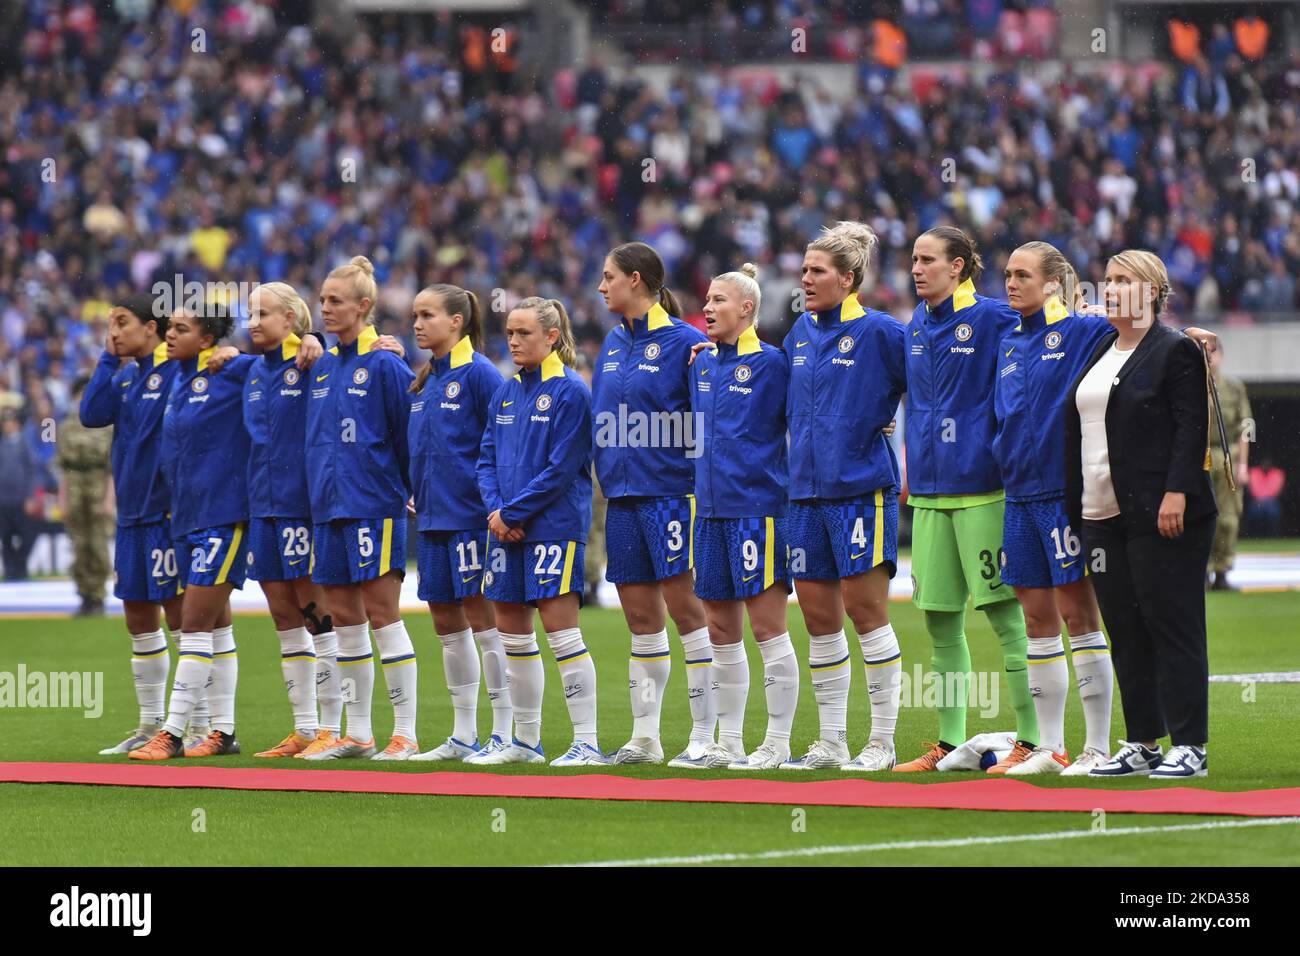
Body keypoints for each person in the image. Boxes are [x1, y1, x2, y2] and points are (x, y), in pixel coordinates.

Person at [1065, 250, 1218, 779]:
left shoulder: (1174, 350)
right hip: (1101, 515)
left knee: (1172, 624)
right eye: (1106, 280)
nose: (1109, 288)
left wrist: (1177, 491)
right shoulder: (1101, 347)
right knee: (1126, 630)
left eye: (1124, 281)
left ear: (1152, 291)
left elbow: (1189, 426)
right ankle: (1142, 742)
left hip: (1160, 512)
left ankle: (1191, 745)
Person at [896, 226, 1039, 774]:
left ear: (957, 267)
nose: (915, 268)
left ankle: (1032, 740)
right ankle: (948, 743)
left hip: (984, 491)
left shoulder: (995, 317)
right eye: (913, 259)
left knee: (1007, 618)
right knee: (940, 622)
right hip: (929, 495)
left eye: (927, 259)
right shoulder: (915, 325)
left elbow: (1061, 333)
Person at [779, 222, 908, 772]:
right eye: (804, 270)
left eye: (817, 271)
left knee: (864, 611)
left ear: (848, 278)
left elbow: (925, 384)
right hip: (804, 494)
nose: (805, 279)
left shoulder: (882, 333)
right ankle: (831, 741)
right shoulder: (797, 335)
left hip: (860, 492)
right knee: (818, 619)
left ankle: (881, 741)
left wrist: (884, 424)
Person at [994, 242, 1119, 775]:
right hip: (1017, 495)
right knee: (1036, 619)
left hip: (1062, 498)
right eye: (1007, 274)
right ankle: (1050, 748)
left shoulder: (1084, 331)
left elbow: (1145, 338)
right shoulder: (1007, 341)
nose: (1011, 283)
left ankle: (1096, 747)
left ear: (1053, 284)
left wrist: (1193, 338)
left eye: (1022, 275)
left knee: (1079, 616)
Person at [592, 242, 716, 767]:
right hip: (621, 499)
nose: (601, 286)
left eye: (608, 277)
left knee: (689, 615)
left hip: (670, 496)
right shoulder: (612, 343)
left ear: (636, 280)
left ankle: (706, 736)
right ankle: (645, 736)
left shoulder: (686, 343)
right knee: (641, 621)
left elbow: (711, 419)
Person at [299, 256, 418, 761]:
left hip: (374, 505)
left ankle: (406, 733)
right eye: (322, 300)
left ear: (364, 307)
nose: (324, 309)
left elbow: (407, 434)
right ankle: (360, 733)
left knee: (383, 615)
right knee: (344, 620)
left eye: (335, 302)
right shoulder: (322, 365)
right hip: (329, 508)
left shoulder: (388, 364)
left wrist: (408, 489)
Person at [474, 296, 602, 766]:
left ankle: (586, 741)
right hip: (504, 527)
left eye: (524, 333)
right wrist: (497, 511)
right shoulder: (505, 391)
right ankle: (525, 742)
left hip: (552, 527)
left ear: (551, 336)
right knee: (513, 638)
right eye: (509, 332)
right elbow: (485, 458)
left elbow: (562, 468)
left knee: (561, 635)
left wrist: (512, 513)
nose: (513, 340)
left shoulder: (571, 391)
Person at [131, 304, 256, 760]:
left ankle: (173, 732)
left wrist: (307, 341)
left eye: (181, 329)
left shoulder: (233, 369)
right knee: (216, 628)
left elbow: (284, 366)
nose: (169, 335)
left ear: (207, 339)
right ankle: (222, 733)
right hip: (185, 519)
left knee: (193, 624)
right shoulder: (179, 378)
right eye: (169, 328)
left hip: (223, 516)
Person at [687, 265, 796, 770]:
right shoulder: (702, 365)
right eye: (707, 300)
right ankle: (727, 743)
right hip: (707, 514)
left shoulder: (774, 364)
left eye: (718, 301)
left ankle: (776, 743)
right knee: (720, 632)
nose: (707, 309)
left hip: (758, 512)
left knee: (768, 629)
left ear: (746, 309)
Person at [401, 283, 514, 762]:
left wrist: (499, 507)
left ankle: (507, 732)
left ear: (457, 321)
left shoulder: (481, 375)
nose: (417, 324)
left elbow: (502, 445)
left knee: (485, 624)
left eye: (427, 315)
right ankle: (464, 733)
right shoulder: (424, 379)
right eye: (414, 316)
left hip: (471, 519)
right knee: (446, 625)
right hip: (432, 519)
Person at [236, 282, 345, 758]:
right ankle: (303, 727)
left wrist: (316, 339)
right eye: (250, 313)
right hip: (262, 506)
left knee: (316, 615)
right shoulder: (250, 372)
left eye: (263, 313)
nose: (254, 321)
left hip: (302, 505)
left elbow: (351, 362)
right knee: (283, 617)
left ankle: (334, 727)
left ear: (290, 319)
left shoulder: (312, 361)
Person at [80, 295, 189, 754]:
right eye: (110, 326)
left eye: (122, 324)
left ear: (151, 328)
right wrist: (108, 355)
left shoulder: (176, 374)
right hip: (130, 517)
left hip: (165, 515)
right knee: (138, 617)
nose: (115, 333)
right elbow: (90, 414)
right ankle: (149, 724)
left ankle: (198, 725)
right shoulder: (125, 377)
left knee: (182, 616)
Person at [57, 376, 115, 616]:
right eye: (79, 393)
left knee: (98, 544)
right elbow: (62, 466)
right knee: (79, 543)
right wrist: (63, 499)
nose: (82, 397)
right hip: (74, 483)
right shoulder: (65, 426)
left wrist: (109, 500)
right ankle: (84, 595)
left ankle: (98, 595)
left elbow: (112, 467)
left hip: (98, 482)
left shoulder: (107, 425)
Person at [1207, 343, 1251, 590]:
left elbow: (1247, 428)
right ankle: (1202, 571)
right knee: (1201, 517)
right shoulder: (1190, 384)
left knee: (1228, 517)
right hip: (1200, 455)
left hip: (1228, 455)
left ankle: (1222, 569)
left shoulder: (1234, 387)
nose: (1210, 357)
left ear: (1221, 355)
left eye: (1214, 352)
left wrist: (1243, 464)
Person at [0, 412, 37, 581]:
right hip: (3, 499)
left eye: (10, 422)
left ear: (17, 424)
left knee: (28, 535)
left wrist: (30, 496)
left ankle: (20, 564)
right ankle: (10, 571)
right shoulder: (1, 444)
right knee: (5, 536)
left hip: (21, 499)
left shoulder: (24, 444)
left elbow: (31, 471)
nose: (7, 425)